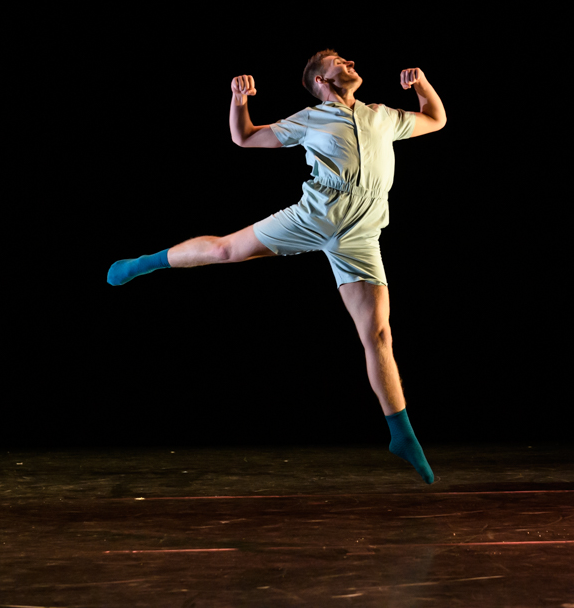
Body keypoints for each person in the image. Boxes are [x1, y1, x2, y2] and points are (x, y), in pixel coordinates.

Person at [106, 50, 447, 483]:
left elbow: (434, 119)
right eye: (338, 61)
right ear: (321, 81)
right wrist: (239, 100)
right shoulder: (310, 118)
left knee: (378, 332)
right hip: (315, 215)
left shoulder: (381, 115)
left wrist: (421, 85)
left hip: (361, 234)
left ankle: (401, 433)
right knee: (227, 251)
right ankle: (146, 263)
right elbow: (244, 137)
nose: (349, 62)